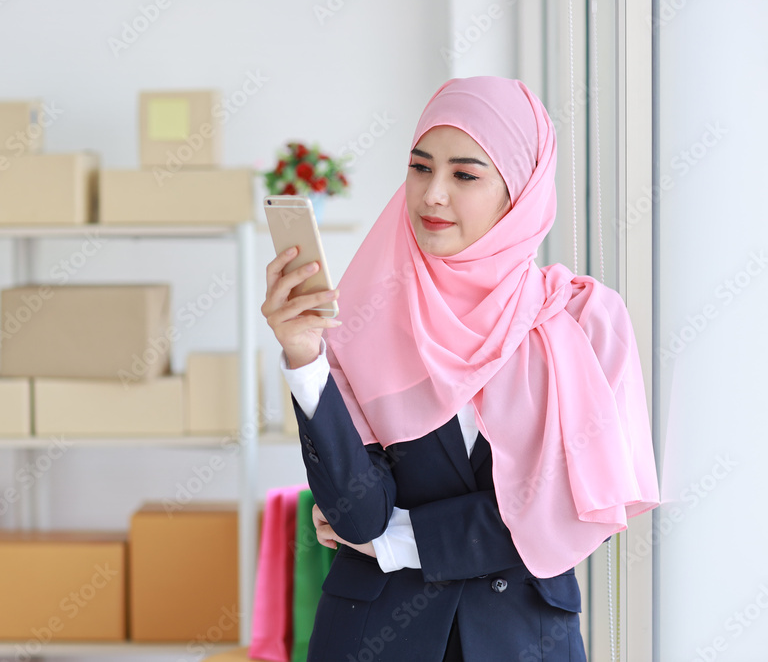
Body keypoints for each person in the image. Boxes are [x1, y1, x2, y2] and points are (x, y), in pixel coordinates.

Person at [261, 76, 660, 661]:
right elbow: (357, 514)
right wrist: (304, 357)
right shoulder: (365, 319)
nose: (432, 196)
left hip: (523, 639)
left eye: (464, 175)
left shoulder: (584, 319)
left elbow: (574, 505)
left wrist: (401, 540)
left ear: (518, 192)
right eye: (421, 168)